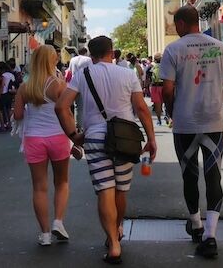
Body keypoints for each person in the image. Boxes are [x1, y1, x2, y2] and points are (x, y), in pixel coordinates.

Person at [56, 36, 157, 265]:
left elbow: (61, 106)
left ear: (91, 56)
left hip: (95, 137)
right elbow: (141, 108)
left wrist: (74, 136)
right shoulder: (127, 74)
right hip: (125, 138)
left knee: (105, 190)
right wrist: (151, 139)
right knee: (121, 190)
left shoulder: (83, 74)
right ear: (112, 53)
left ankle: (113, 243)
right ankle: (119, 228)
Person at [161, 6, 223, 259]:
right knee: (213, 176)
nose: (175, 28)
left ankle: (196, 224)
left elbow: (168, 90)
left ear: (182, 23)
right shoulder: (220, 46)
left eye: (175, 24)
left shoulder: (174, 50)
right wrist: (218, 103)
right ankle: (211, 235)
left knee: (189, 174)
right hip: (214, 124)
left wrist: (172, 112)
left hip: (185, 125)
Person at [14, 45, 73, 246]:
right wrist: (75, 138)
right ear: (52, 61)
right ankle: (58, 222)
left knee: (39, 187)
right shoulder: (59, 85)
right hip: (57, 137)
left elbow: (18, 115)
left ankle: (45, 234)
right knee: (62, 182)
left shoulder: (25, 87)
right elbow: (67, 114)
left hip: (33, 139)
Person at [0, 62, 17, 131]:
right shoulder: (12, 75)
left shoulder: (4, 75)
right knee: (9, 109)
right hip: (10, 94)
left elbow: (2, 85)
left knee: (0, 110)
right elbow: (14, 84)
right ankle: (9, 124)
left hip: (4, 93)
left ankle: (2, 125)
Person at [148, 55, 166, 126]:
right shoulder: (165, 66)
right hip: (164, 86)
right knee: (166, 103)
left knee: (157, 104)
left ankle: (159, 120)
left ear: (154, 60)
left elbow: (147, 74)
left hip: (155, 86)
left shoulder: (152, 67)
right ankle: (167, 116)